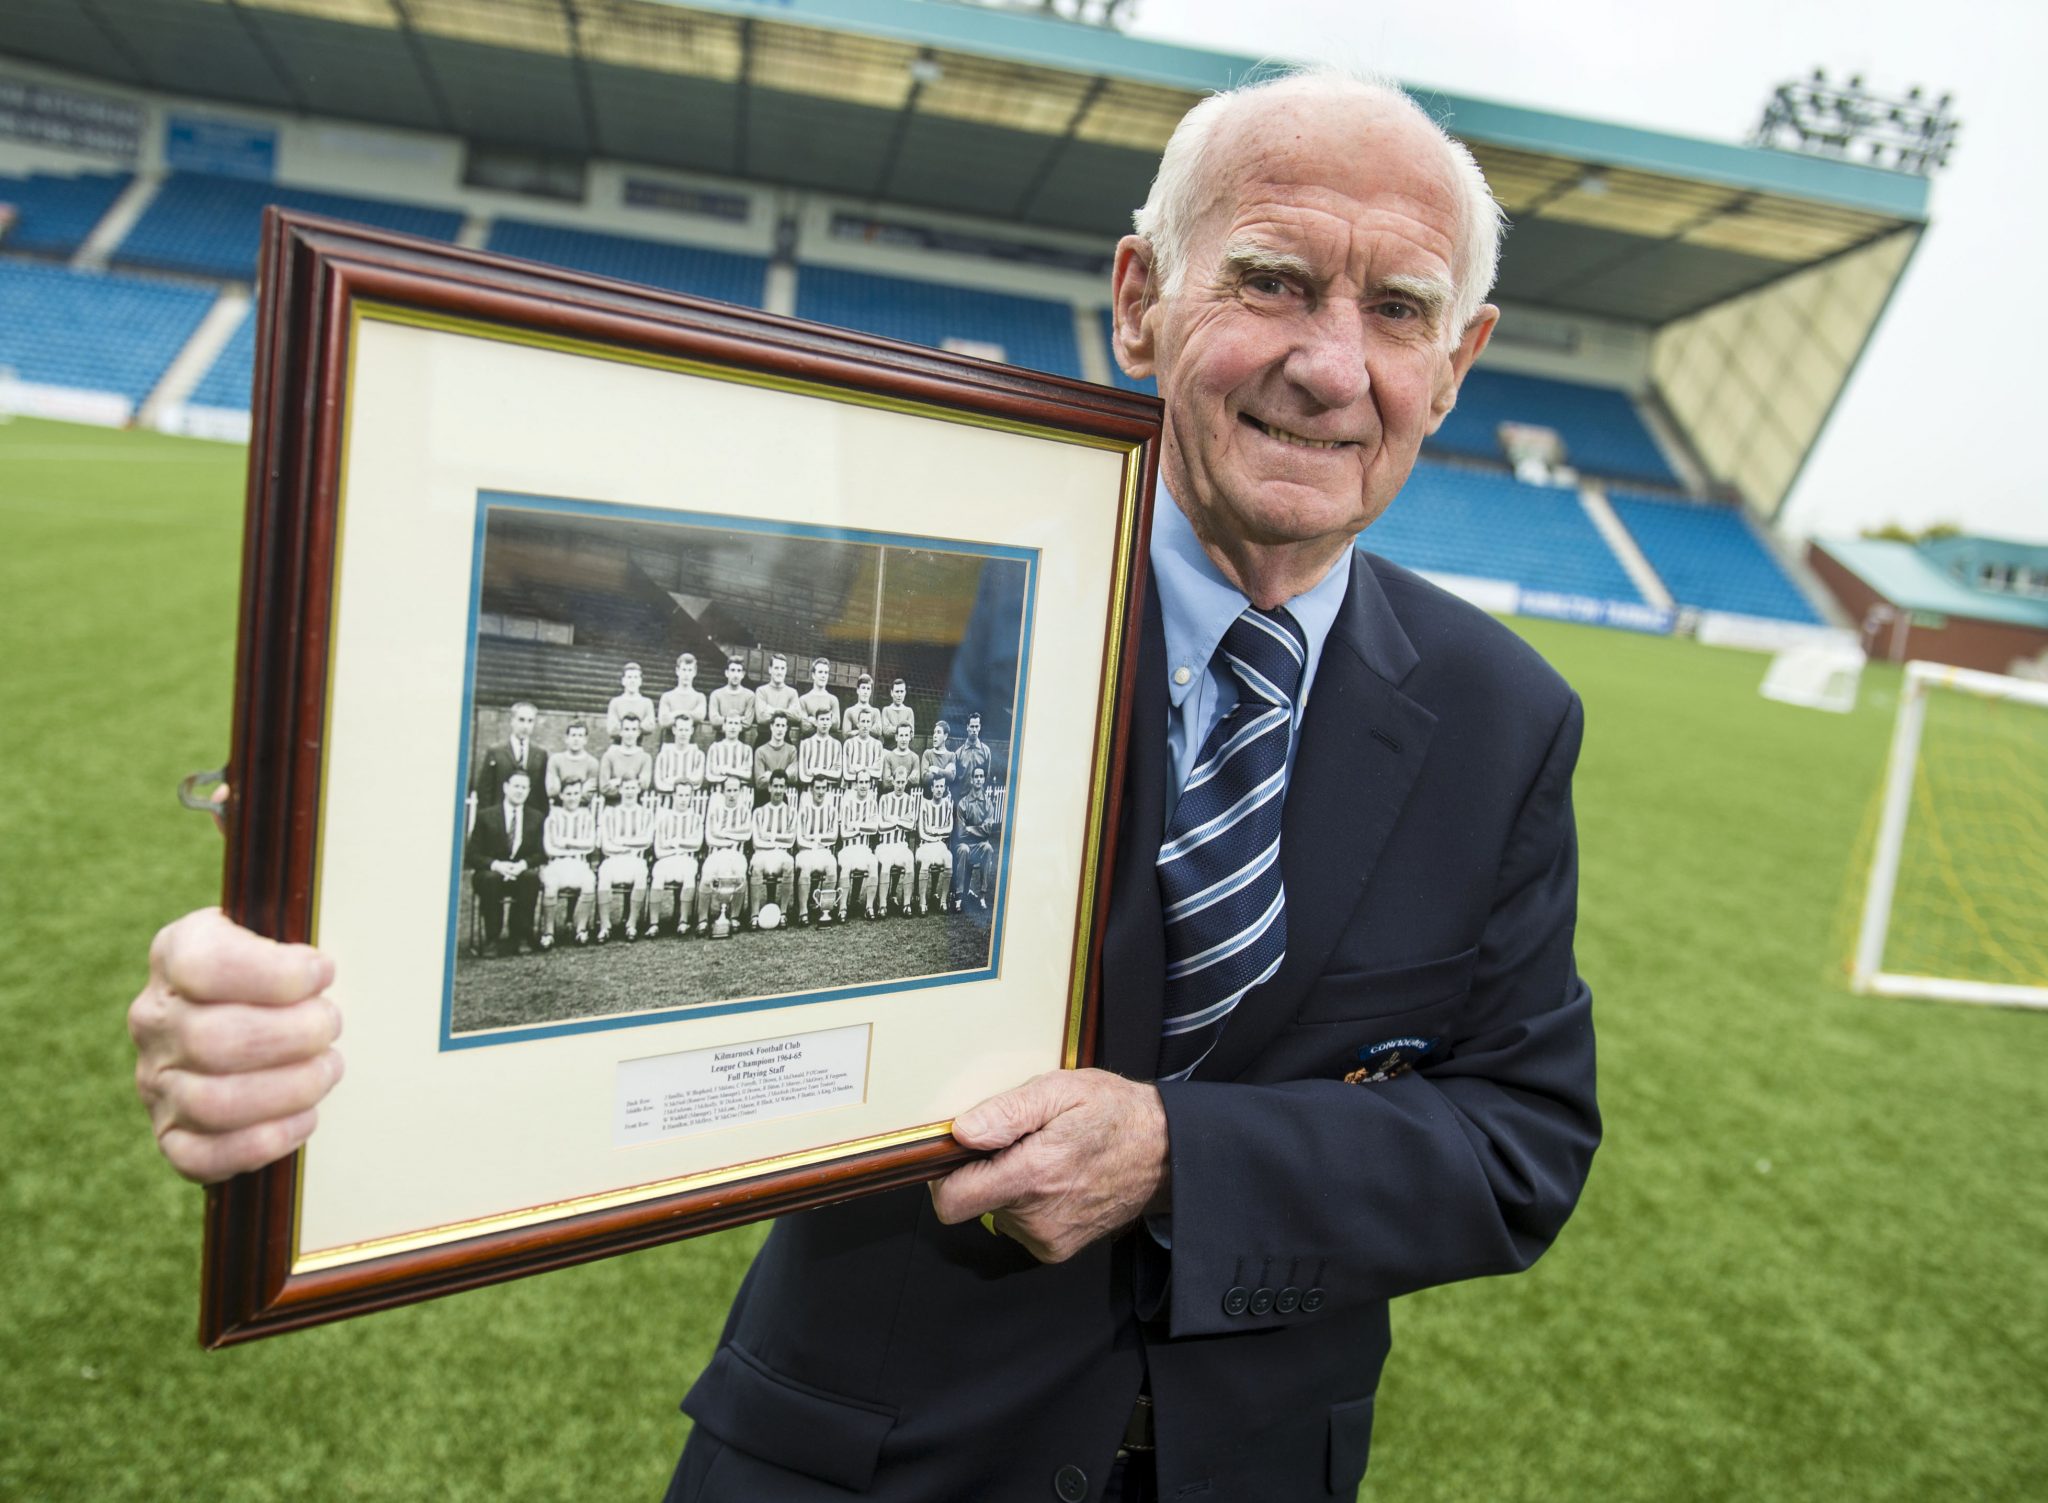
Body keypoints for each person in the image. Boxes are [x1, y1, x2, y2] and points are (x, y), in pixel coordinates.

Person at [128, 69, 1599, 1503]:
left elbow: (1519, 1137)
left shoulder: (1506, 718)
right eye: (1272, 281)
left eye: (1396, 310)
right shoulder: (914, 604)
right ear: (1140, 297)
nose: (1332, 366)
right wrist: (298, 1020)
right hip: (861, 1452)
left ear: (1455, 363)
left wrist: (1176, 1157)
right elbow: (558, 855)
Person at [466, 769, 544, 955]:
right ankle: (492, 938)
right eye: (516, 786)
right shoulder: (486, 816)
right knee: (490, 879)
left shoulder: (536, 817)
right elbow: (473, 855)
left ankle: (521, 935)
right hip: (491, 872)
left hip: (519, 871)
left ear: (529, 791)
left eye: (524, 787)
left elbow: (540, 853)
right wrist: (497, 865)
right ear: (506, 787)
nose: (520, 791)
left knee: (531, 877)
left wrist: (522, 865)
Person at [537, 777, 600, 947]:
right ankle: (548, 932)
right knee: (551, 885)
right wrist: (576, 846)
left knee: (589, 882)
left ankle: (581, 929)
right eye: (569, 794)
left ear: (580, 795)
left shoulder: (587, 817)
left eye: (576, 793)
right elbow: (549, 848)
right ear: (562, 795)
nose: (572, 798)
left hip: (579, 864)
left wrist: (565, 843)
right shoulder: (553, 817)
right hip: (556, 863)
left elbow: (589, 845)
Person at [595, 778, 655, 942]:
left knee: (641, 873)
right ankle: (605, 926)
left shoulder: (646, 813)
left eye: (633, 788)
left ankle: (631, 924)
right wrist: (629, 846)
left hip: (635, 859)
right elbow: (606, 846)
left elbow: (646, 841)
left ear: (638, 790)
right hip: (613, 858)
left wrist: (621, 842)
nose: (629, 792)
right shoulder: (610, 813)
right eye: (626, 788)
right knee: (604, 874)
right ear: (620, 790)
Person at [696, 777, 753, 934]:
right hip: (716, 853)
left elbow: (747, 835)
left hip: (736, 853)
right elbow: (710, 838)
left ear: (740, 792)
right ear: (723, 792)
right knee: (707, 876)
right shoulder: (715, 811)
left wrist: (724, 833)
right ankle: (702, 920)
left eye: (735, 790)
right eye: (729, 790)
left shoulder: (745, 811)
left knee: (740, 875)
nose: (732, 794)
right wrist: (734, 836)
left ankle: (734, 917)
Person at [471, 701, 547, 814]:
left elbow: (541, 793)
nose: (525, 726)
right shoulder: (496, 752)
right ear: (512, 721)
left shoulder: (540, 754)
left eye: (530, 721)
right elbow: (485, 791)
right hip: (499, 816)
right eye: (521, 720)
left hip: (529, 817)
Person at [650, 788, 707, 938]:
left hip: (687, 859)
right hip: (666, 859)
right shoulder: (664, 819)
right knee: (658, 874)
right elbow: (658, 850)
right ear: (674, 796)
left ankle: (683, 921)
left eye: (687, 795)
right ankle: (653, 923)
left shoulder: (696, 818)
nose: (683, 799)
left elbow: (697, 844)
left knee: (689, 873)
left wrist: (674, 843)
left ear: (691, 797)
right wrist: (680, 848)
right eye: (680, 795)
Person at [748, 772, 798, 925]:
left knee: (789, 864)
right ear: (769, 788)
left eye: (781, 786)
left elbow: (790, 841)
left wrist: (769, 837)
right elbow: (756, 842)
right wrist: (778, 840)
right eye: (775, 786)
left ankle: (783, 913)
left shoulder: (791, 812)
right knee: (756, 866)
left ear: (785, 789)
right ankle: (754, 915)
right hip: (762, 854)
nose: (778, 790)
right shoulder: (759, 812)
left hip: (781, 854)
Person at [952, 761, 1001, 913]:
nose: (979, 779)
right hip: (965, 844)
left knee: (988, 848)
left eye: (981, 776)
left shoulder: (988, 803)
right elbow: (961, 833)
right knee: (963, 849)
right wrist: (978, 830)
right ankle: (959, 897)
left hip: (980, 845)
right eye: (976, 777)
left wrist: (970, 829)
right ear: (972, 780)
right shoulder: (963, 803)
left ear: (983, 779)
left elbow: (988, 829)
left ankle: (982, 896)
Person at [792, 777, 840, 925]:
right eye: (817, 788)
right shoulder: (804, 810)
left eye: (823, 788)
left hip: (823, 851)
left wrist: (814, 838)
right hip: (805, 852)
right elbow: (799, 841)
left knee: (832, 865)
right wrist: (817, 843)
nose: (820, 792)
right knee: (805, 867)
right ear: (811, 789)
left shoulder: (831, 810)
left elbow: (833, 838)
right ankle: (803, 911)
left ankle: (824, 909)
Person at [834, 771, 881, 923]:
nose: (864, 785)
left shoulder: (872, 803)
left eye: (867, 782)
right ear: (855, 784)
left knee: (873, 863)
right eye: (861, 782)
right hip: (847, 849)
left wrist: (857, 826)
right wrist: (864, 827)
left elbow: (874, 829)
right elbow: (843, 834)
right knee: (846, 866)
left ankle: (869, 907)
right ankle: (842, 908)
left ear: (870, 784)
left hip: (864, 849)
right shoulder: (847, 802)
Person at [914, 770, 954, 917]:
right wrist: (937, 835)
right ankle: (922, 903)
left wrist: (934, 831)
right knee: (925, 860)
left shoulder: (948, 805)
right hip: (925, 845)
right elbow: (922, 832)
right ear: (931, 788)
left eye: (941, 786)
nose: (939, 789)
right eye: (936, 786)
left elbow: (949, 829)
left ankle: (943, 901)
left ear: (944, 788)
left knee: (948, 858)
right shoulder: (924, 805)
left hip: (940, 845)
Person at [597, 713, 654, 806]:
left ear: (639, 732)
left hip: (636, 807)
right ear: (621, 731)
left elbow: (644, 785)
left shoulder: (645, 758)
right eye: (626, 729)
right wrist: (632, 785)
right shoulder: (608, 756)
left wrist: (617, 782)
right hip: (612, 806)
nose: (630, 734)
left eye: (634, 729)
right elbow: (604, 788)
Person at [652, 715, 706, 806]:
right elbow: (659, 783)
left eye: (686, 730)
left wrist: (670, 780)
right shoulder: (663, 755)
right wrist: (687, 783)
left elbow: (697, 781)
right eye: (680, 730)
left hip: (689, 805)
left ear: (691, 730)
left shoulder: (698, 755)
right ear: (674, 730)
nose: (683, 733)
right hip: (666, 804)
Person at [544, 719, 600, 806]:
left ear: (585, 739)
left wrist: (563, 791)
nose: (576, 739)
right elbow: (551, 791)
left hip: (582, 809)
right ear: (566, 738)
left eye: (580, 736)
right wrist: (580, 790)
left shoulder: (592, 763)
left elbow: (588, 795)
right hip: (558, 807)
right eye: (573, 735)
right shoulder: (555, 760)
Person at [657, 653, 708, 746]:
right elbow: (663, 721)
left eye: (690, 670)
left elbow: (699, 716)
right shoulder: (667, 696)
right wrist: (688, 714)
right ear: (677, 671)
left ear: (694, 672)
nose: (686, 674)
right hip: (669, 745)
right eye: (684, 670)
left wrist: (674, 714)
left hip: (690, 746)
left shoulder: (699, 697)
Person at [752, 654, 803, 746]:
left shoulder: (792, 693)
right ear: (770, 669)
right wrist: (787, 712)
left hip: (784, 739)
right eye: (776, 668)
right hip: (764, 739)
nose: (779, 672)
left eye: (782, 668)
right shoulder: (761, 691)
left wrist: (773, 710)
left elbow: (797, 717)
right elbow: (761, 719)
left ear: (786, 670)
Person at [605, 663, 656, 747]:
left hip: (637, 746)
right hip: (617, 746)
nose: (632, 681)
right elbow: (612, 730)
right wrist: (638, 727)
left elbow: (650, 727)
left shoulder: (646, 702)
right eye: (629, 677)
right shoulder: (615, 702)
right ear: (623, 681)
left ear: (640, 681)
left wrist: (623, 727)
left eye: (635, 677)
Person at [706, 658, 755, 746]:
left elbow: (747, 723)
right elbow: (714, 721)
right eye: (732, 670)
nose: (735, 675)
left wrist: (724, 721)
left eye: (739, 671)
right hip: (720, 740)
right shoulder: (716, 694)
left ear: (743, 674)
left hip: (740, 741)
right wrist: (738, 719)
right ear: (727, 673)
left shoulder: (750, 695)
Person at [795, 704, 842, 791]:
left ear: (831, 723)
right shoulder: (805, 744)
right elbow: (803, 776)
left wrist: (816, 770)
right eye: (822, 719)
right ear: (816, 722)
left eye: (827, 719)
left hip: (828, 792)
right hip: (808, 791)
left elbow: (837, 775)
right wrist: (829, 772)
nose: (825, 723)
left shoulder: (836, 745)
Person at [795, 656, 840, 743]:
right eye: (820, 672)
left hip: (827, 745)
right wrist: (826, 722)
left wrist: (813, 720)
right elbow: (805, 728)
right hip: (809, 745)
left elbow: (836, 725)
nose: (823, 675)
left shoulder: (833, 700)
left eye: (826, 673)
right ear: (813, 675)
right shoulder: (804, 699)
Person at [875, 676, 915, 748]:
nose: (899, 695)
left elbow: (911, 735)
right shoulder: (886, 710)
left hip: (904, 750)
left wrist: (892, 728)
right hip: (889, 749)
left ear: (905, 693)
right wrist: (904, 728)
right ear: (891, 693)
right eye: (897, 691)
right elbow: (886, 732)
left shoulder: (909, 711)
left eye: (901, 691)